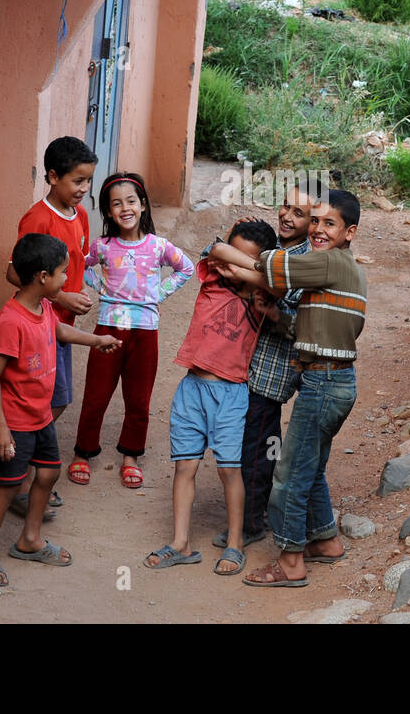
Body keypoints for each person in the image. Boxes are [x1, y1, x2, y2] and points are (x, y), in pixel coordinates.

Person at [208, 189, 366, 588]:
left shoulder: (326, 261)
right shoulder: (340, 267)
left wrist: (222, 251)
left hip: (325, 382)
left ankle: (291, 560)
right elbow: (309, 327)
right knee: (309, 468)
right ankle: (324, 540)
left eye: (329, 224)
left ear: (350, 233)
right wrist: (277, 315)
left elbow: (273, 264)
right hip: (333, 378)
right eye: (316, 221)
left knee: (290, 474)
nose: (318, 229)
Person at [0, 234, 120, 587]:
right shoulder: (11, 320)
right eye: (61, 274)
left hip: (40, 416)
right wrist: (1, 427)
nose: (65, 281)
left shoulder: (44, 306)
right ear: (42, 277)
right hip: (16, 421)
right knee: (7, 488)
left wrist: (96, 341)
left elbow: (59, 331)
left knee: (49, 474)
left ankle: (30, 539)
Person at [143, 220, 278, 577]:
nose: (231, 267)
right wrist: (232, 262)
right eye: (234, 256)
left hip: (230, 393)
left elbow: (275, 280)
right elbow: (216, 250)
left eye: (246, 261)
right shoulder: (211, 279)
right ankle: (180, 543)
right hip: (191, 388)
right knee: (184, 466)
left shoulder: (262, 294)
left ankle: (235, 543)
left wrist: (245, 270)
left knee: (229, 470)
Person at [211, 183, 319, 551]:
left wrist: (248, 274)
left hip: (269, 374)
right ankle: (251, 512)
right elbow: (219, 252)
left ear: (313, 222)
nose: (287, 216)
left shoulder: (304, 260)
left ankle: (252, 522)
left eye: (299, 213)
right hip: (243, 364)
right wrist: (238, 237)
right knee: (249, 442)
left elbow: (281, 297)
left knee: (257, 449)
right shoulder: (275, 247)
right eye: (285, 206)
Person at [69, 173, 194, 488]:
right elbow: (81, 264)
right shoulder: (104, 246)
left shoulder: (157, 246)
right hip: (107, 329)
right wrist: (102, 289)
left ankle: (131, 454)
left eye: (131, 201)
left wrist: (158, 294)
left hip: (145, 333)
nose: (124, 208)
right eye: (115, 203)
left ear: (142, 206)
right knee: (96, 395)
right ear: (109, 212)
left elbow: (187, 268)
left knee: (139, 400)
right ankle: (84, 451)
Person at [5, 136, 97, 520]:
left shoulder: (81, 216)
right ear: (53, 176)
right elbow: (14, 272)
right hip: (41, 326)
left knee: (55, 399)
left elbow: (77, 262)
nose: (84, 189)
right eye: (77, 181)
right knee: (49, 400)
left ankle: (23, 467)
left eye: (88, 181)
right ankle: (20, 478)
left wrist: (81, 288)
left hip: (63, 324)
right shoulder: (38, 219)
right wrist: (61, 299)